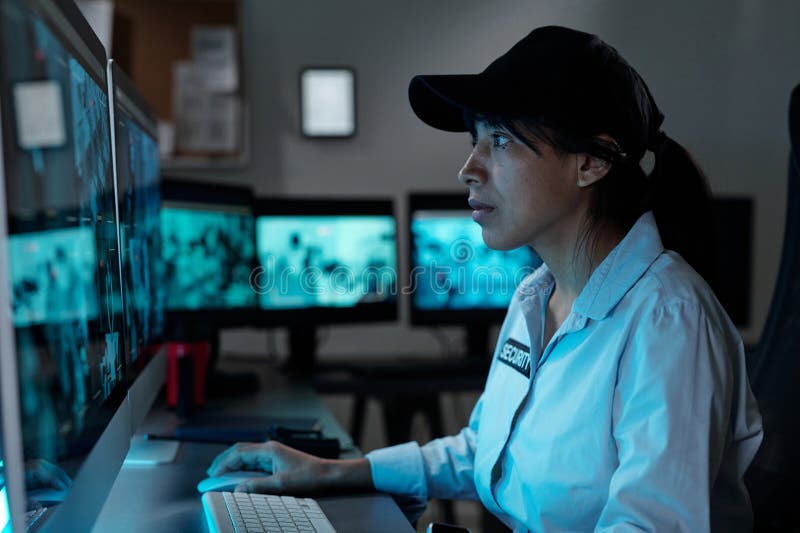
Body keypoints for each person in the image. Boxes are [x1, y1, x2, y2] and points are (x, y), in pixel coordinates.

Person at [206, 26, 763, 531]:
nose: (468, 168)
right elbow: (488, 452)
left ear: (591, 162)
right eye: (475, 139)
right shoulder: (534, 296)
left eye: (499, 140)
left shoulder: (669, 320)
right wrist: (335, 472)